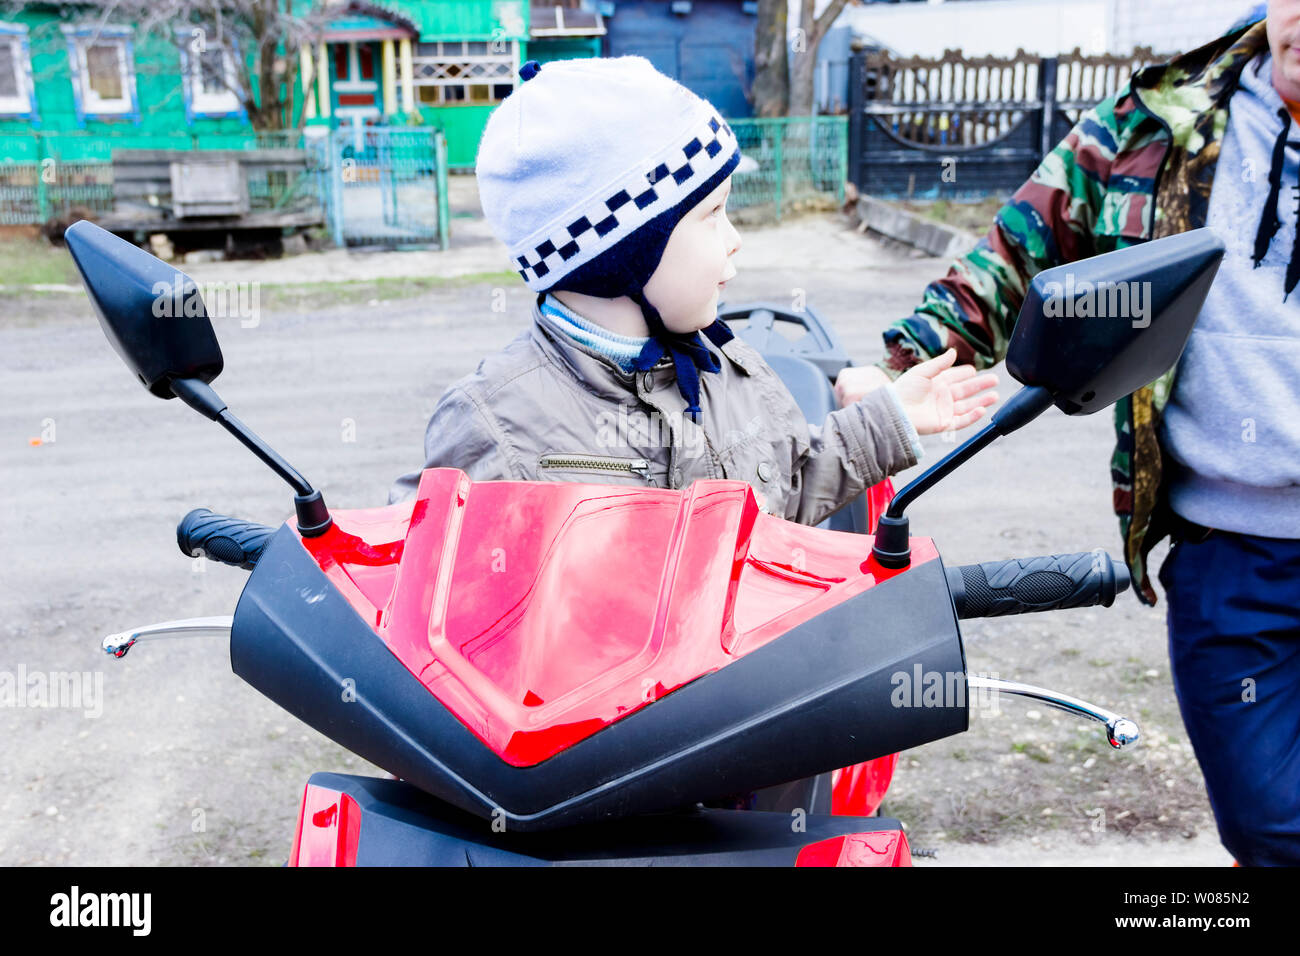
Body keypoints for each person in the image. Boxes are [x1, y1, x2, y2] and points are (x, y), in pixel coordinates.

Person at [834, 10, 1300, 865]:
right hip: (1231, 554)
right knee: (1269, 822)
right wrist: (891, 369)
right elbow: (1015, 253)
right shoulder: (1161, 119)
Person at [389, 56, 998, 527]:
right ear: (622, 252)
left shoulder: (734, 374)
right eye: (713, 215)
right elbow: (415, 581)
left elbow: (792, 487)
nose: (734, 241)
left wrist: (887, 421)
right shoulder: (496, 424)